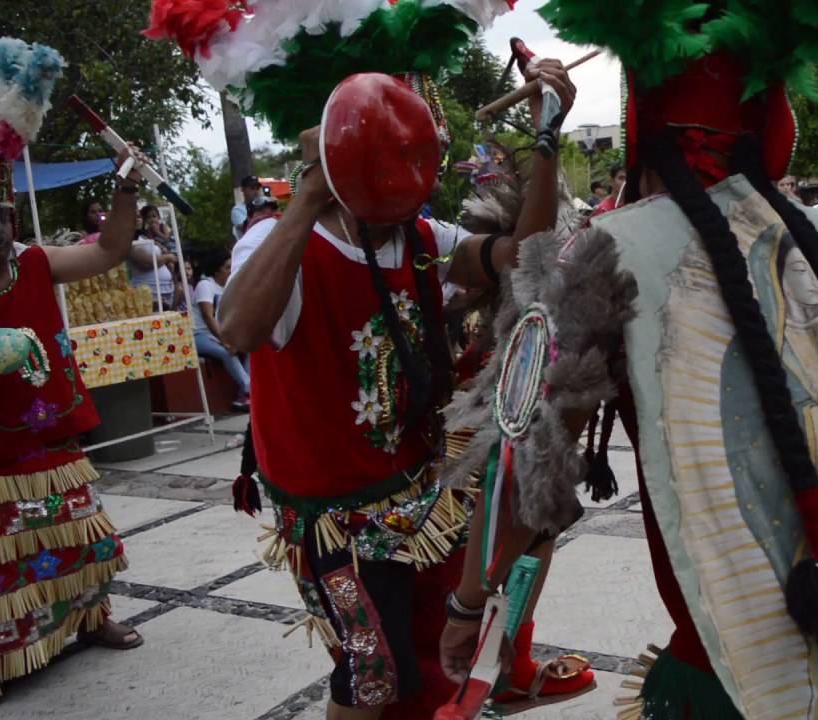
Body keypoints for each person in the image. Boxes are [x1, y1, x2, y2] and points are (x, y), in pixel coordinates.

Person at [442, 8, 818, 718]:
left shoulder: (609, 253)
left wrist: (469, 599)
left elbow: (539, 479)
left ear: (643, 114)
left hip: (735, 675)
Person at [145, 3, 578, 717]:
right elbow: (240, 328)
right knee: (371, 675)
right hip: (331, 519)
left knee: (531, 515)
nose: (388, 217)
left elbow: (521, 258)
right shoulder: (274, 243)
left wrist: (547, 137)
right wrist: (311, 192)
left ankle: (510, 666)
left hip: (414, 492)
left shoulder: (420, 236)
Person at [0, 38, 143, 709]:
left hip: (52, 440)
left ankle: (90, 616)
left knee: (83, 537)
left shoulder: (36, 262)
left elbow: (110, 249)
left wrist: (128, 185)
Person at [192, 250, 250, 409]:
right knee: (225, 352)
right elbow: (208, 316)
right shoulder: (206, 285)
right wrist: (225, 341)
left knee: (249, 347)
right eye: (227, 267)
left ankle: (243, 397)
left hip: (219, 334)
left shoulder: (228, 286)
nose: (231, 270)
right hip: (199, 335)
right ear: (216, 270)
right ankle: (249, 389)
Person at [128, 227, 176, 310]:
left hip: (166, 293)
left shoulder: (148, 239)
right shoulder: (130, 241)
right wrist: (168, 257)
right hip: (148, 293)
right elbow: (147, 262)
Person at [231, 175, 264, 240]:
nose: (256, 192)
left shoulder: (265, 206)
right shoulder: (238, 210)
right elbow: (246, 228)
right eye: (252, 188)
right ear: (242, 189)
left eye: (257, 188)